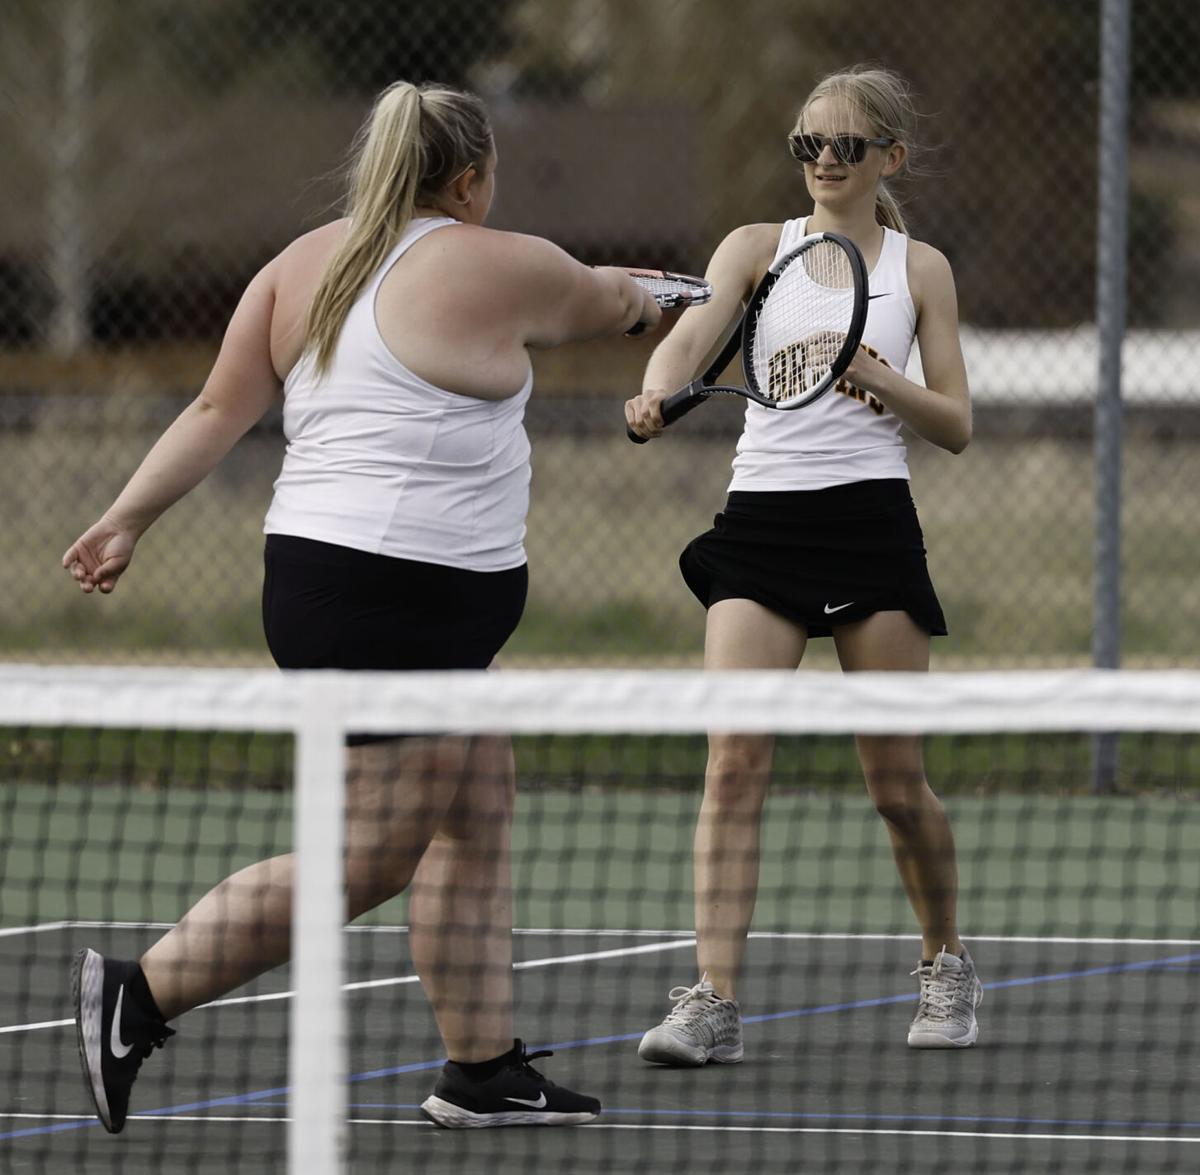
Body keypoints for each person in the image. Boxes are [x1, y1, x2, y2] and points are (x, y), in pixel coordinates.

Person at [63, 79, 661, 1132]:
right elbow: (606, 299)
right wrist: (676, 296)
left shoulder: (303, 262)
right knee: (369, 856)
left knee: (475, 809)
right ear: (470, 179)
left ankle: (482, 1067)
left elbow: (215, 408)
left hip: (337, 580)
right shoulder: (491, 258)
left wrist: (125, 517)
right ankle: (137, 993)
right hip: (395, 598)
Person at [625, 65, 981, 1064]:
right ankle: (713, 1000)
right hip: (760, 527)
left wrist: (882, 380)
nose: (825, 161)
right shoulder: (753, 250)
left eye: (847, 146)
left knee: (895, 780)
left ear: (888, 159)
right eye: (809, 145)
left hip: (871, 524)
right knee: (734, 758)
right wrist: (655, 389)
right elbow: (689, 343)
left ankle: (945, 958)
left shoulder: (922, 270)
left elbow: (955, 421)